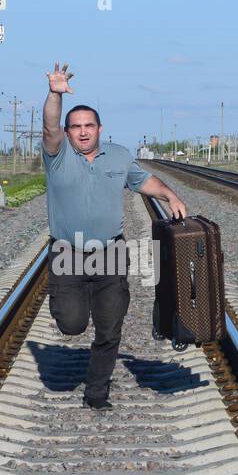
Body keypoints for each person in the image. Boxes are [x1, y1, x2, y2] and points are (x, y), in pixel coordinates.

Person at [41, 61, 188, 409]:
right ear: (67, 132)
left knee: (110, 326)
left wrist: (170, 195)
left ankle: (97, 392)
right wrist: (54, 94)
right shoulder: (57, 155)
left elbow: (142, 182)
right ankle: (67, 305)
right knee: (72, 324)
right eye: (75, 127)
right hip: (67, 252)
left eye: (88, 125)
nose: (82, 131)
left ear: (99, 128)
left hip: (111, 252)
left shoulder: (118, 156)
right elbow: (49, 126)